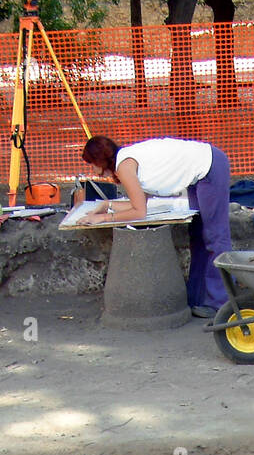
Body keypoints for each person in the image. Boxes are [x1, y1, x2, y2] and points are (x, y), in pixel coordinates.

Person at [78, 134, 231, 317]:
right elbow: (139, 203)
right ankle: (197, 299)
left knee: (215, 236)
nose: (93, 170)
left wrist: (103, 219)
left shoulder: (124, 166)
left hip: (210, 166)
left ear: (100, 159)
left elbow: (139, 212)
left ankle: (221, 304)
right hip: (200, 171)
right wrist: (106, 206)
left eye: (92, 164)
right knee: (198, 236)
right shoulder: (126, 160)